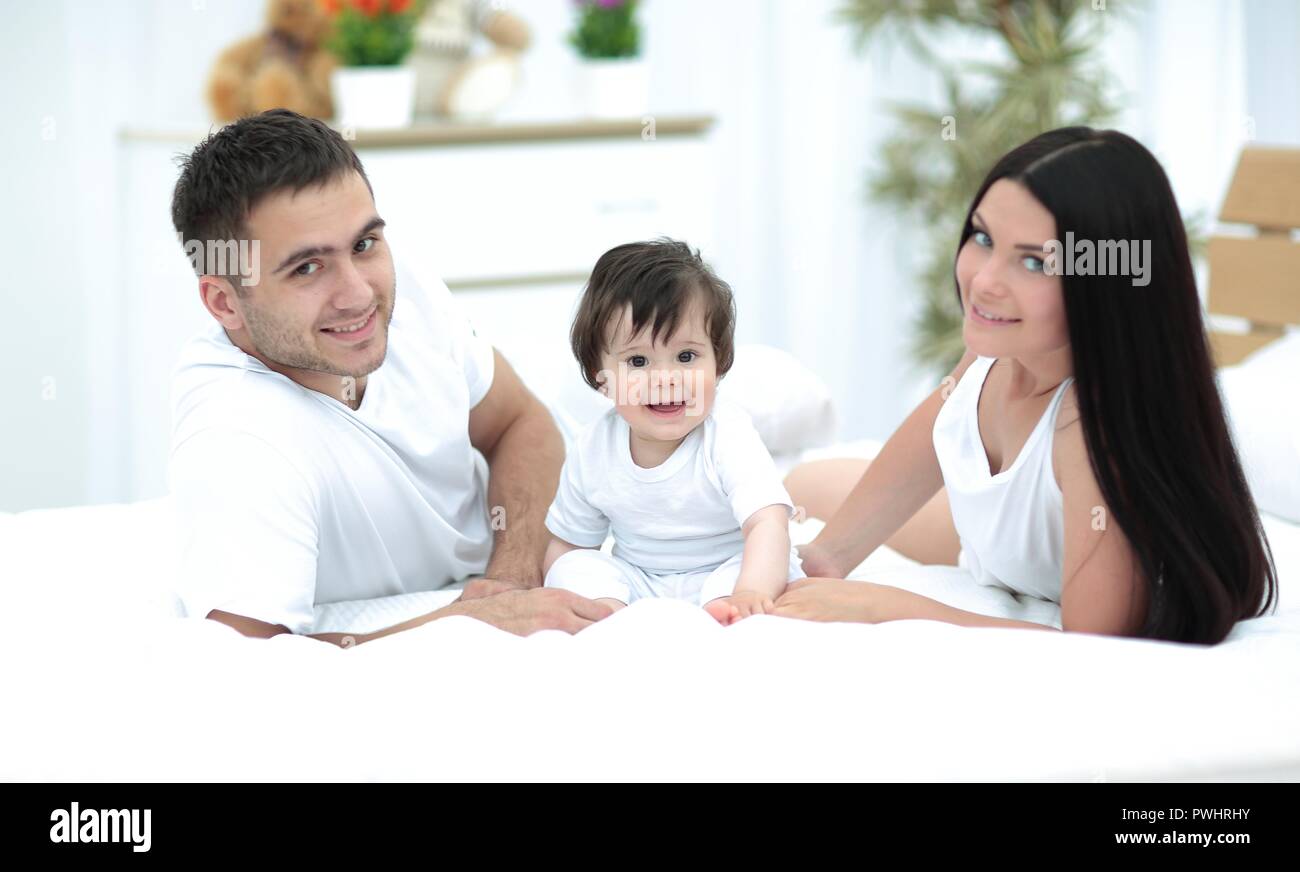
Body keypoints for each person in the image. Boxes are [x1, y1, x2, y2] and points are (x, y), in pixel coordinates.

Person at [777, 127, 1277, 645]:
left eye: (1036, 261)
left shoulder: (1091, 428)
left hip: (1043, 550)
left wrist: (885, 606)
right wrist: (827, 557)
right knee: (805, 484)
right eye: (983, 237)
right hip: (995, 544)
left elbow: (1090, 642)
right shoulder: (1003, 341)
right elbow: (940, 419)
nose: (985, 281)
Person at [168, 109, 613, 645]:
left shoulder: (410, 294)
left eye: (363, 244)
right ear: (225, 303)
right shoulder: (236, 439)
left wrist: (512, 574)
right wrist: (470, 626)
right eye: (307, 268)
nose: (358, 294)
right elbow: (250, 662)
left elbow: (518, 421)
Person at [542, 239, 803, 626]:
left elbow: (767, 522)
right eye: (638, 361)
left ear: (719, 362)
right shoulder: (592, 447)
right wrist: (567, 585)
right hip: (639, 580)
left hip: (728, 571)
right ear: (601, 378)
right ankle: (608, 613)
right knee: (573, 565)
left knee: (767, 564)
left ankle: (729, 609)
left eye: (686, 357)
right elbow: (570, 542)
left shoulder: (726, 433)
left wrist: (752, 590)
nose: (665, 379)